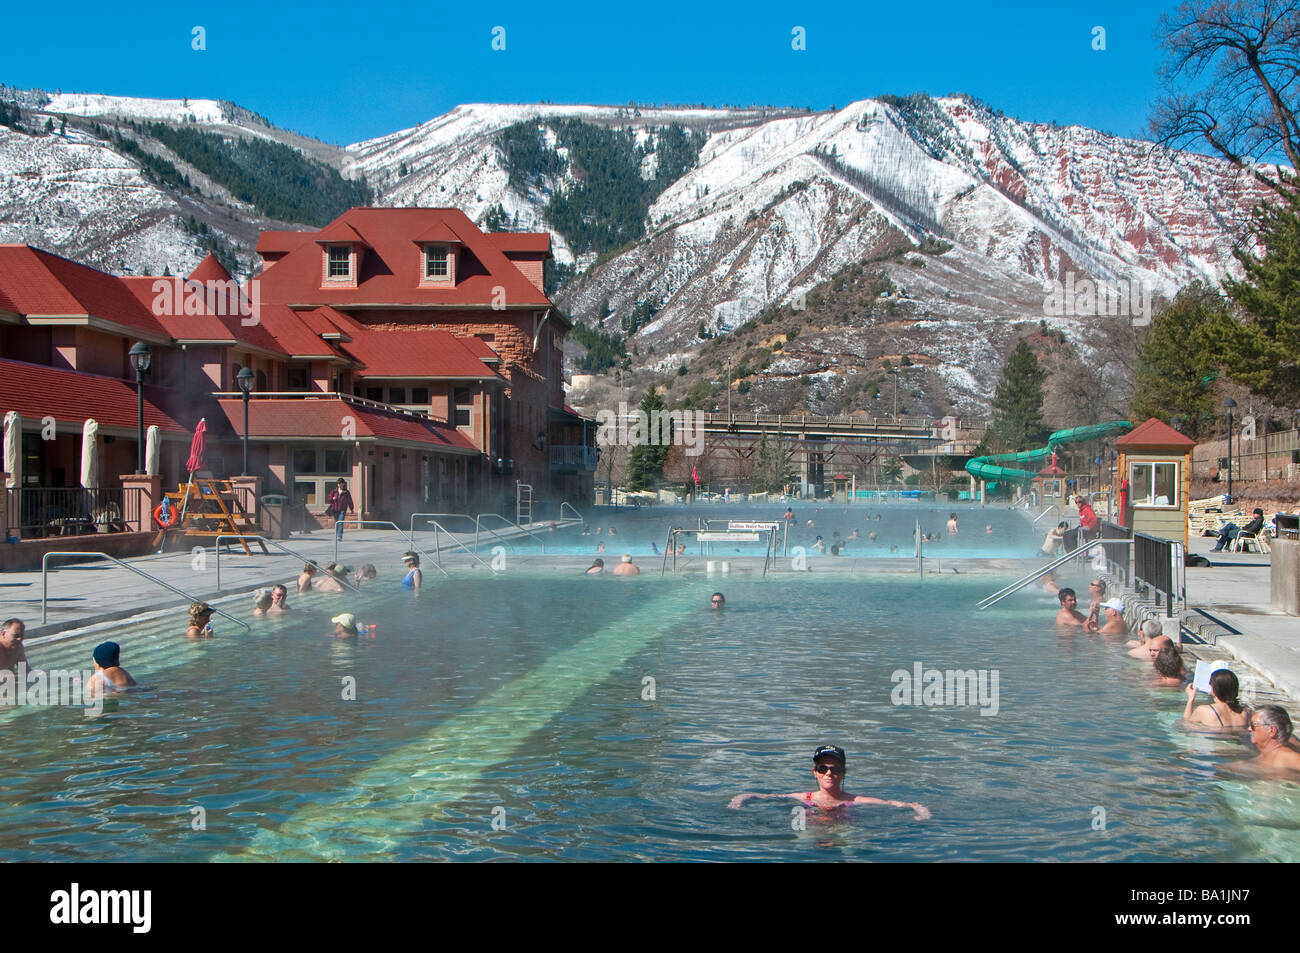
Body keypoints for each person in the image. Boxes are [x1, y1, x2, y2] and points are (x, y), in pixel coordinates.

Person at [727, 745, 930, 819]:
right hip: (812, 833)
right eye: (823, 768)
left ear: (843, 774)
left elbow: (900, 804)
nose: (829, 773)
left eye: (835, 769)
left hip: (843, 832)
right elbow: (758, 795)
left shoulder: (855, 800)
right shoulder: (803, 797)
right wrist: (738, 800)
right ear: (815, 772)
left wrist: (922, 812)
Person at [1183, 668, 1249, 729]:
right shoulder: (1246, 712)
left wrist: (1191, 698)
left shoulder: (1205, 710)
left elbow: (1186, 725)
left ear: (1214, 688)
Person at [1241, 706, 1300, 772]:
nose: (1249, 729)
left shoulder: (1290, 759)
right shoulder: (1266, 756)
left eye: (1253, 725)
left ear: (1272, 731)